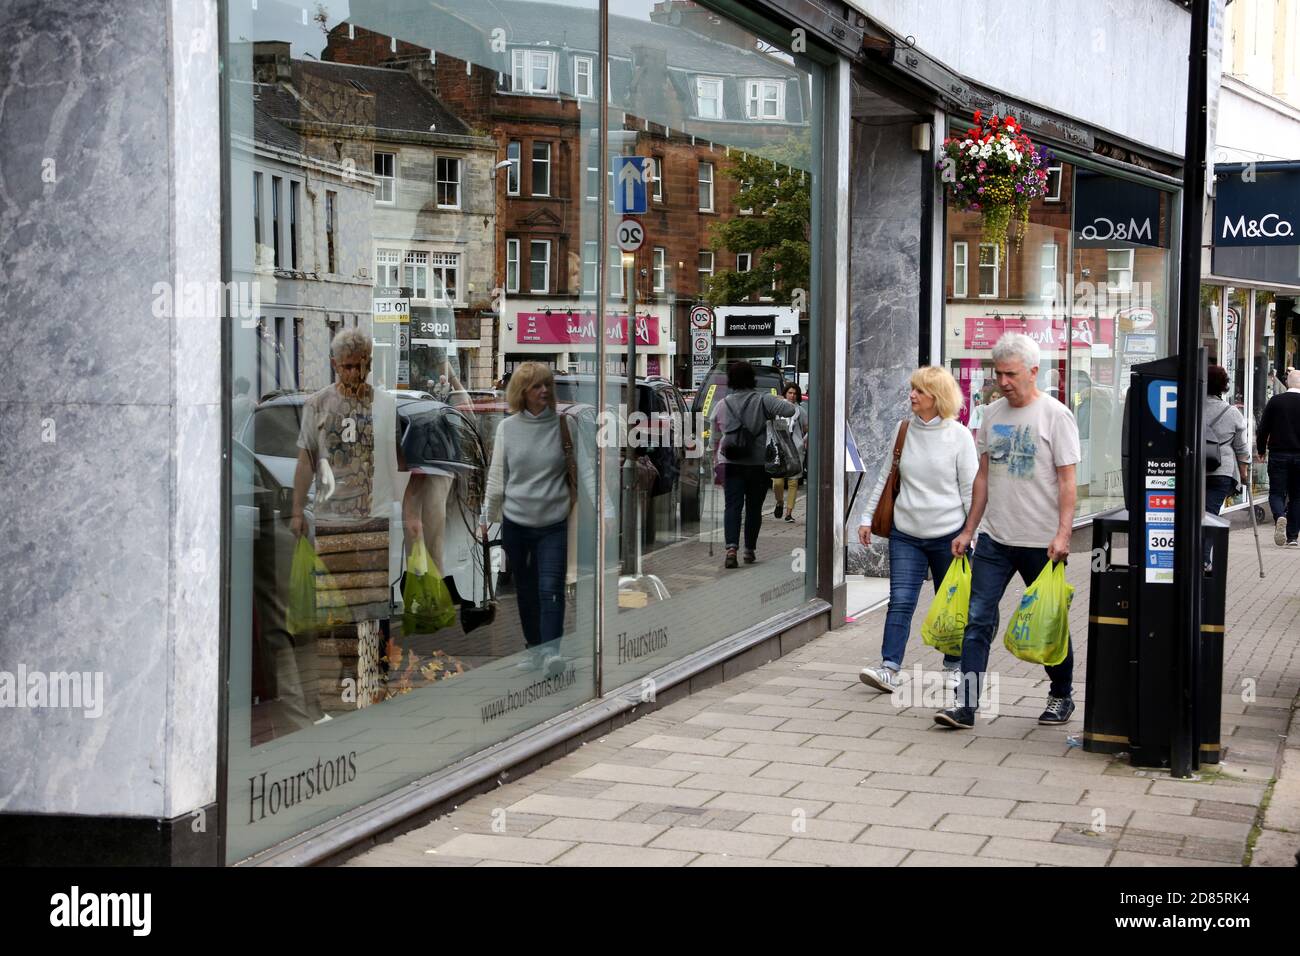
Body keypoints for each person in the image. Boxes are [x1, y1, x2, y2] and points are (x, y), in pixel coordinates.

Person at [935, 333, 1081, 730]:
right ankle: (965, 705)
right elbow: (983, 477)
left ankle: (1061, 694)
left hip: (1042, 543)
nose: (1003, 381)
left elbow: (1068, 482)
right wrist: (970, 529)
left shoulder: (1055, 415)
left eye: (1011, 374)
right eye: (998, 373)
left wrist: (1063, 534)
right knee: (977, 619)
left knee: (1049, 621)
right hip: (996, 541)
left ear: (1034, 372)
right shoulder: (992, 414)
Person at [857, 366, 977, 694]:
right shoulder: (904, 430)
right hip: (905, 533)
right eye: (912, 389)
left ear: (937, 397)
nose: (912, 395)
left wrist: (972, 534)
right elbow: (886, 477)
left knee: (950, 604)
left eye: (919, 391)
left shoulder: (959, 436)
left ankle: (954, 666)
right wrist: (867, 517)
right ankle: (889, 669)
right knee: (900, 601)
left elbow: (970, 491)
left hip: (948, 537)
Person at [481, 362, 575, 673]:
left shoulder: (564, 426)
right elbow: (497, 478)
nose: (545, 391)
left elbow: (584, 469)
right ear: (522, 392)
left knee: (550, 587)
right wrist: (487, 518)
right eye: (537, 386)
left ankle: (551, 654)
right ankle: (535, 648)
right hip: (516, 523)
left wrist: (606, 509)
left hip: (553, 522)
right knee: (526, 590)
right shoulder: (508, 428)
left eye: (548, 384)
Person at [709, 361, 796, 569]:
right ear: (752, 379)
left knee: (732, 506)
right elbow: (790, 411)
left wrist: (714, 458)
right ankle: (749, 550)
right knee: (754, 508)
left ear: (731, 381)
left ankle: (731, 549)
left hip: (730, 463)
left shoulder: (723, 404)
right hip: (757, 464)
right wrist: (777, 403)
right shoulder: (763, 401)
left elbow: (714, 434)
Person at [1256, 368, 1300, 547]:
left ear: (1288, 382)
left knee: (1276, 493)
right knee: (1297, 497)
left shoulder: (1276, 401)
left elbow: (1263, 428)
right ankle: (1292, 538)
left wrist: (1260, 450)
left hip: (1278, 454)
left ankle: (1280, 515)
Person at [1204, 364, 1250, 519]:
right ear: (1224, 386)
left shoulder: (1190, 408)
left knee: (1191, 515)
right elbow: (1241, 447)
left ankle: (1196, 542)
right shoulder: (1232, 412)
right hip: (1221, 470)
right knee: (1210, 515)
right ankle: (1204, 542)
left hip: (1193, 469)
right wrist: (1243, 473)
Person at [772, 383, 808, 523]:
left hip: (796, 449)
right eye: (790, 393)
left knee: (793, 482)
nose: (792, 396)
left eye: (794, 393)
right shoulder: (777, 411)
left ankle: (789, 513)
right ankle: (780, 502)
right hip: (780, 449)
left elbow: (807, 428)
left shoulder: (801, 411)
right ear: (785, 393)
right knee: (778, 482)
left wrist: (802, 441)